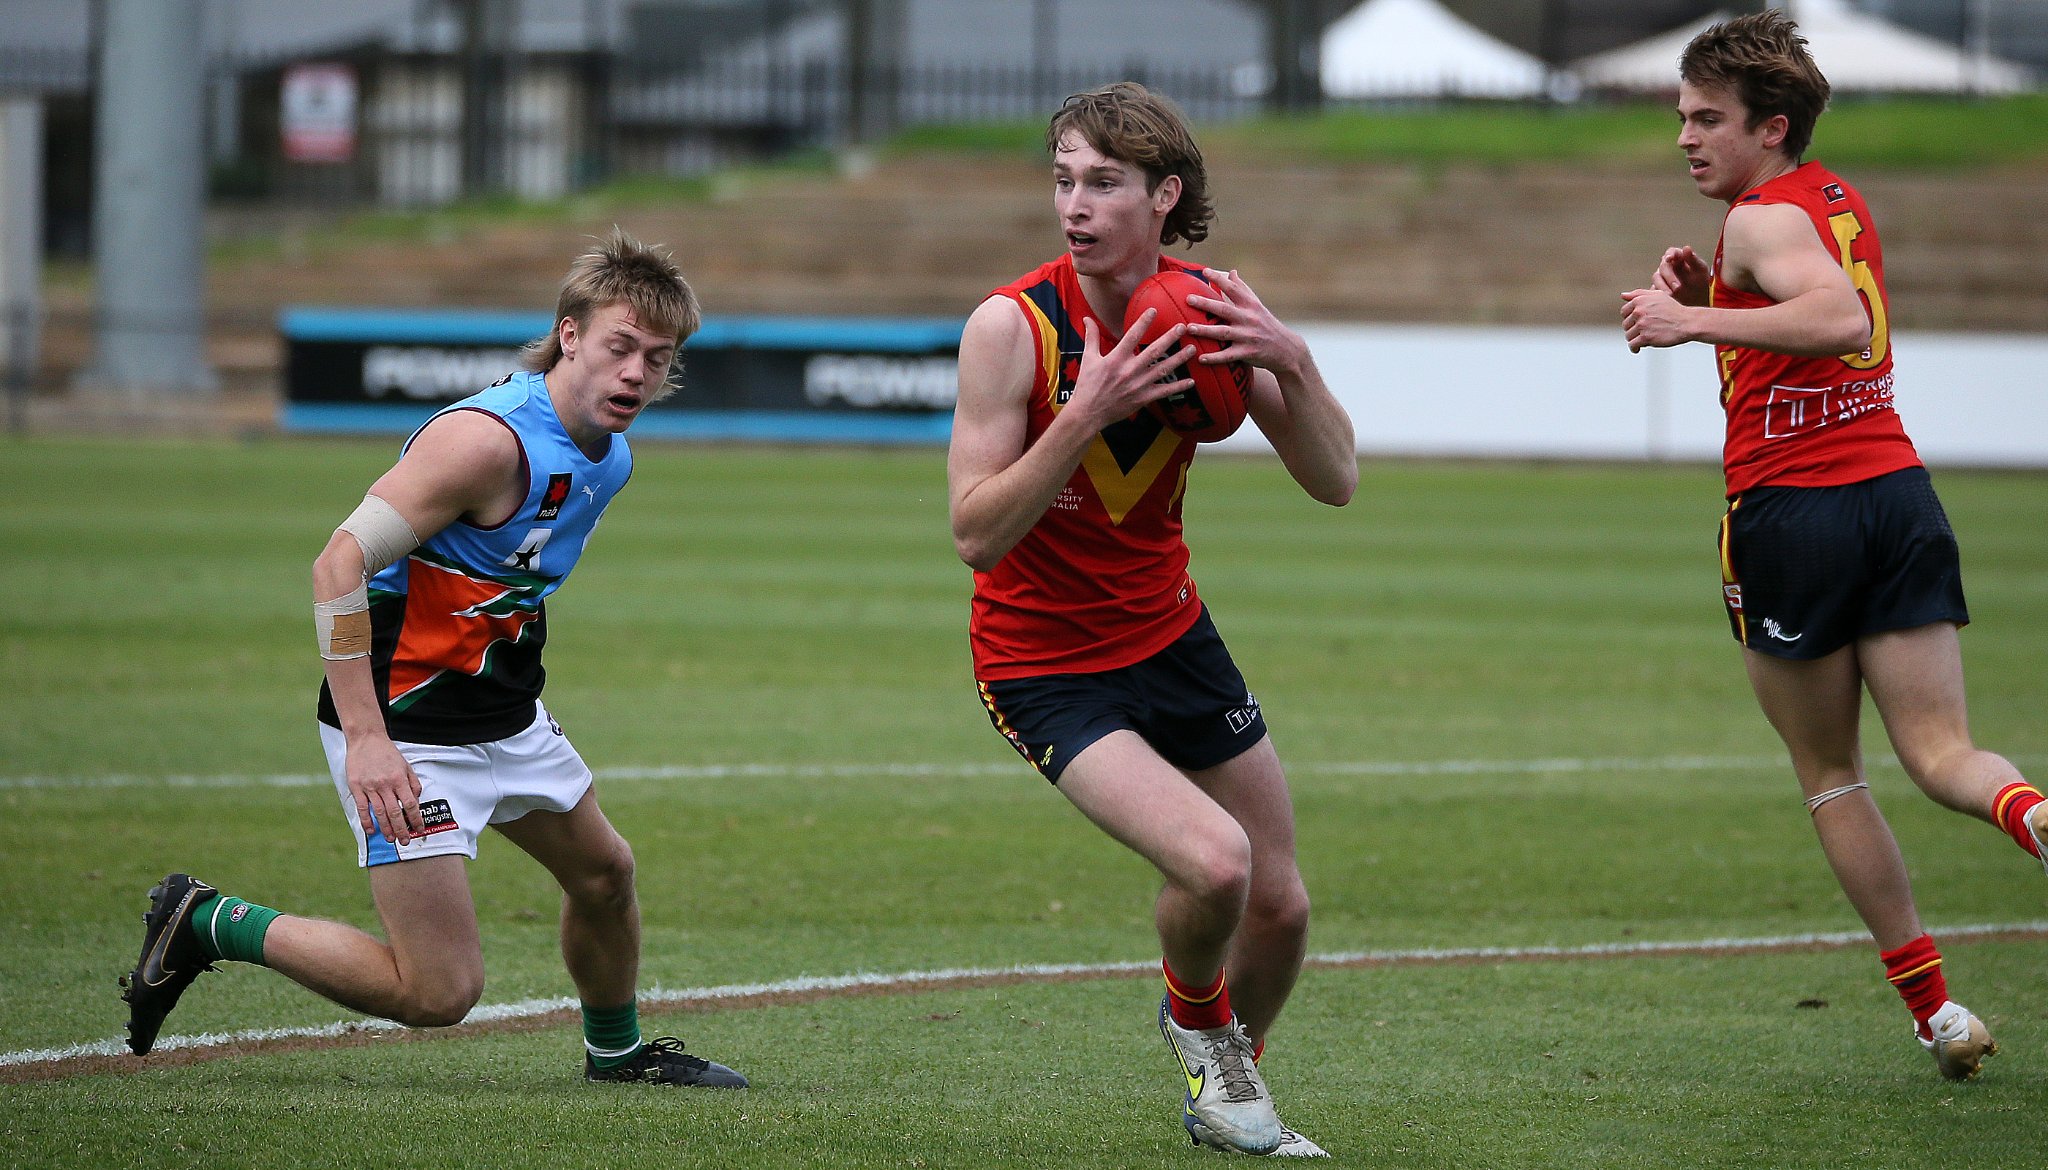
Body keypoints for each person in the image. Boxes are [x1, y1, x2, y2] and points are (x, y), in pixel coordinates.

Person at [121, 228, 747, 1088]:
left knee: (605, 875)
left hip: (503, 716)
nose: (637, 373)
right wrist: (368, 740)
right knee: (438, 992)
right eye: (620, 347)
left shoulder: (613, 456)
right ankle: (205, 921)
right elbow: (337, 566)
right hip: (405, 726)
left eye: (657, 356)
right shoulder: (484, 443)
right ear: (570, 335)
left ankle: (617, 1055)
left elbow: (503, 591)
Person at [1622, 11, 2043, 1081]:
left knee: (1827, 776)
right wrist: (1708, 293)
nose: (1683, 136)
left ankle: (1936, 1012)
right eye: (1680, 116)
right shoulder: (1831, 196)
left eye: (1706, 118)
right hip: (1894, 493)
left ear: (1770, 128)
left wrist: (1691, 322)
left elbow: (1836, 318)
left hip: (1794, 518)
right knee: (1945, 757)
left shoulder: (1762, 219)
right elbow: (1816, 302)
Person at [948, 82, 1356, 1156]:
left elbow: (1336, 479)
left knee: (1279, 907)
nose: (1073, 206)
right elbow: (974, 534)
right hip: (1042, 662)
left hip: (1172, 636)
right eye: (1061, 181)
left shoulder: (1205, 307)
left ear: (1164, 194)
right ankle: (1193, 1019)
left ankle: (1227, 1090)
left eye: (1102, 184)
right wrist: (1086, 412)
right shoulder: (1011, 327)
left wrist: (1289, 359)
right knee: (1214, 865)